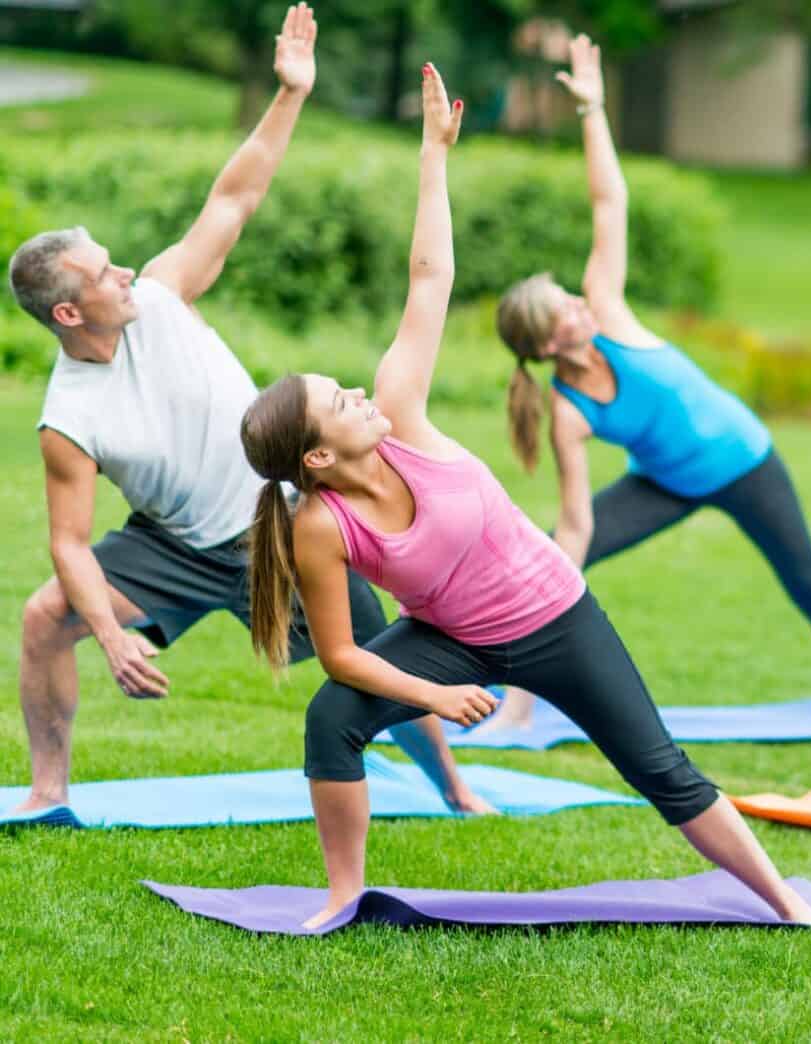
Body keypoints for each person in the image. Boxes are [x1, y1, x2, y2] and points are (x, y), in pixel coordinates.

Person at [238, 64, 811, 930]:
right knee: (333, 719)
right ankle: (341, 896)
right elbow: (343, 658)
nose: (360, 393)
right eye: (339, 399)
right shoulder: (320, 525)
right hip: (452, 642)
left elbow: (428, 278)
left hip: (558, 618)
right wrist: (432, 696)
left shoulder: (399, 415)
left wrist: (435, 154)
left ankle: (788, 902)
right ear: (318, 454)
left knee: (660, 769)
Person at [4, 3, 482, 816]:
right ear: (69, 315)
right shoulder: (69, 419)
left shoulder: (160, 294)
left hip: (281, 521)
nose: (123, 273)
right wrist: (115, 641)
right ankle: (49, 791)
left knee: (369, 651)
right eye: (102, 274)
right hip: (177, 546)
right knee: (46, 617)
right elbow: (69, 545)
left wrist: (291, 92)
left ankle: (457, 790)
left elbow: (237, 197)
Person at [484, 33, 811, 734]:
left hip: (745, 461)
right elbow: (579, 521)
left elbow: (608, 203)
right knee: (550, 560)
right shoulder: (568, 411)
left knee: (808, 584)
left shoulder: (610, 311)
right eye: (567, 311)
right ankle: (517, 707)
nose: (582, 305)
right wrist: (559, 568)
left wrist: (593, 112)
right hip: (667, 482)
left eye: (574, 298)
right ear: (551, 344)